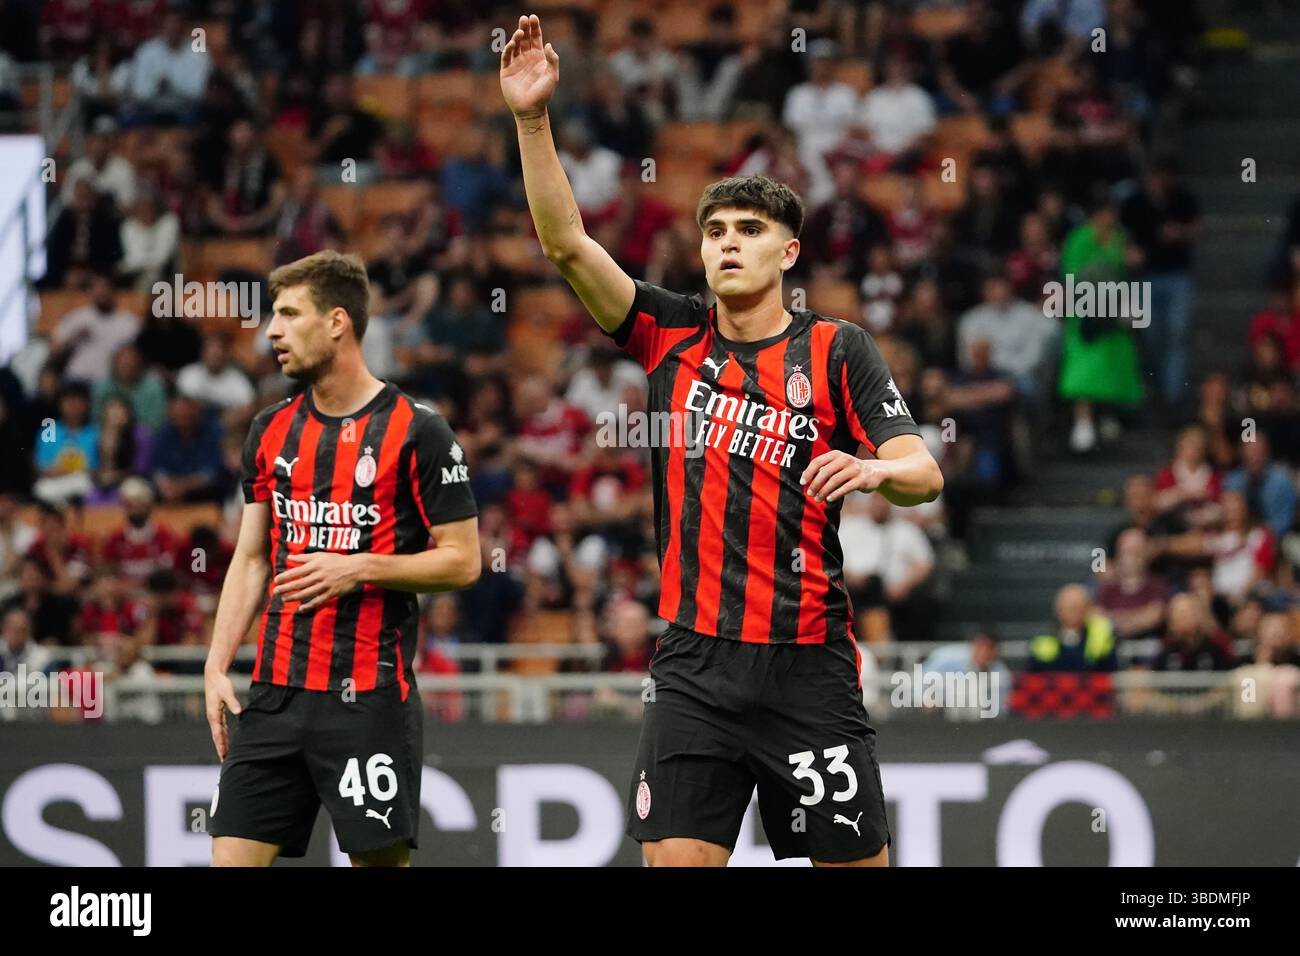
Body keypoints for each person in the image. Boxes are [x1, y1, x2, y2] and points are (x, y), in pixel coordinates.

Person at [502, 15, 943, 868]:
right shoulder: (668, 333)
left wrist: (874, 467)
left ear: (789, 250)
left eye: (747, 230)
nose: (728, 243)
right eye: (715, 231)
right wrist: (531, 120)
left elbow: (923, 472)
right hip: (695, 664)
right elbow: (565, 244)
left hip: (807, 661)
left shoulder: (837, 349)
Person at [204, 251, 481, 867]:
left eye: (287, 314)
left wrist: (359, 566)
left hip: (367, 701)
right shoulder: (268, 430)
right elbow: (251, 558)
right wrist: (217, 663)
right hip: (273, 696)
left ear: (337, 322)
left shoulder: (419, 430)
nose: (271, 331)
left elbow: (463, 562)